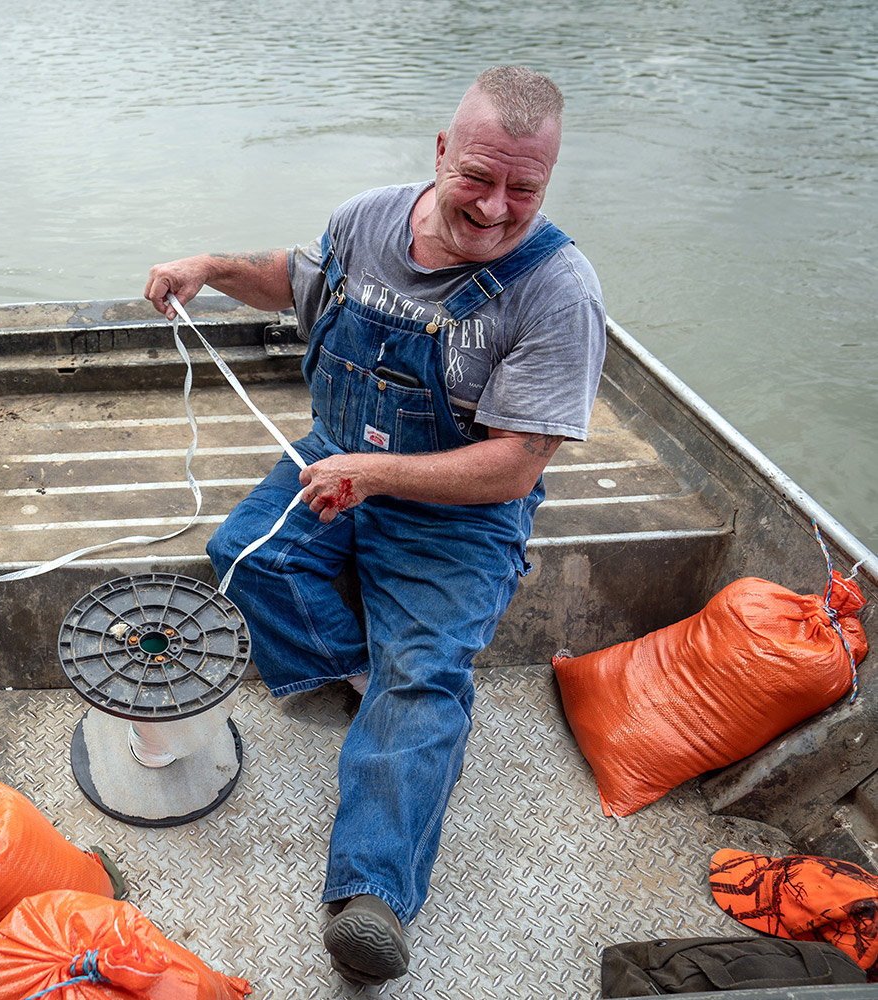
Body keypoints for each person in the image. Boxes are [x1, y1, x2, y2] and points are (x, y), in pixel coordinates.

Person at [142, 66, 606, 985]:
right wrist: (214, 268)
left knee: (426, 671)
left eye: (526, 187)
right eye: (478, 176)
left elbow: (516, 463)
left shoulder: (559, 291)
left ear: (549, 180)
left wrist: (376, 475)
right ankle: (362, 683)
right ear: (440, 152)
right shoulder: (366, 218)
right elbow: (296, 281)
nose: (496, 206)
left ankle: (373, 895)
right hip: (336, 455)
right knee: (244, 556)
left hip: (457, 514)